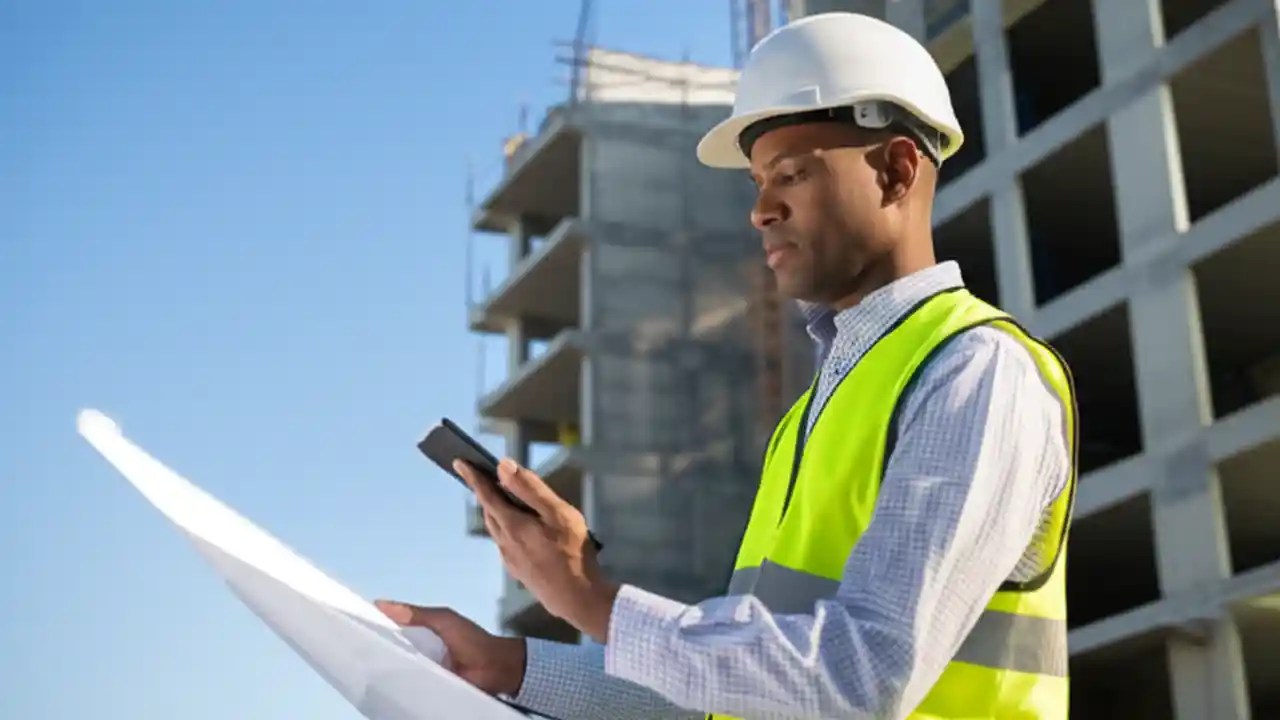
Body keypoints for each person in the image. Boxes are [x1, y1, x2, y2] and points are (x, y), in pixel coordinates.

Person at [378, 11, 1077, 719]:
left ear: (895, 170)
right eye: (755, 183)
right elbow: (739, 697)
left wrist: (595, 601)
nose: (761, 210)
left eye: (791, 175)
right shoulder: (814, 414)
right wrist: (510, 665)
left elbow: (861, 675)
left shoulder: (977, 373)